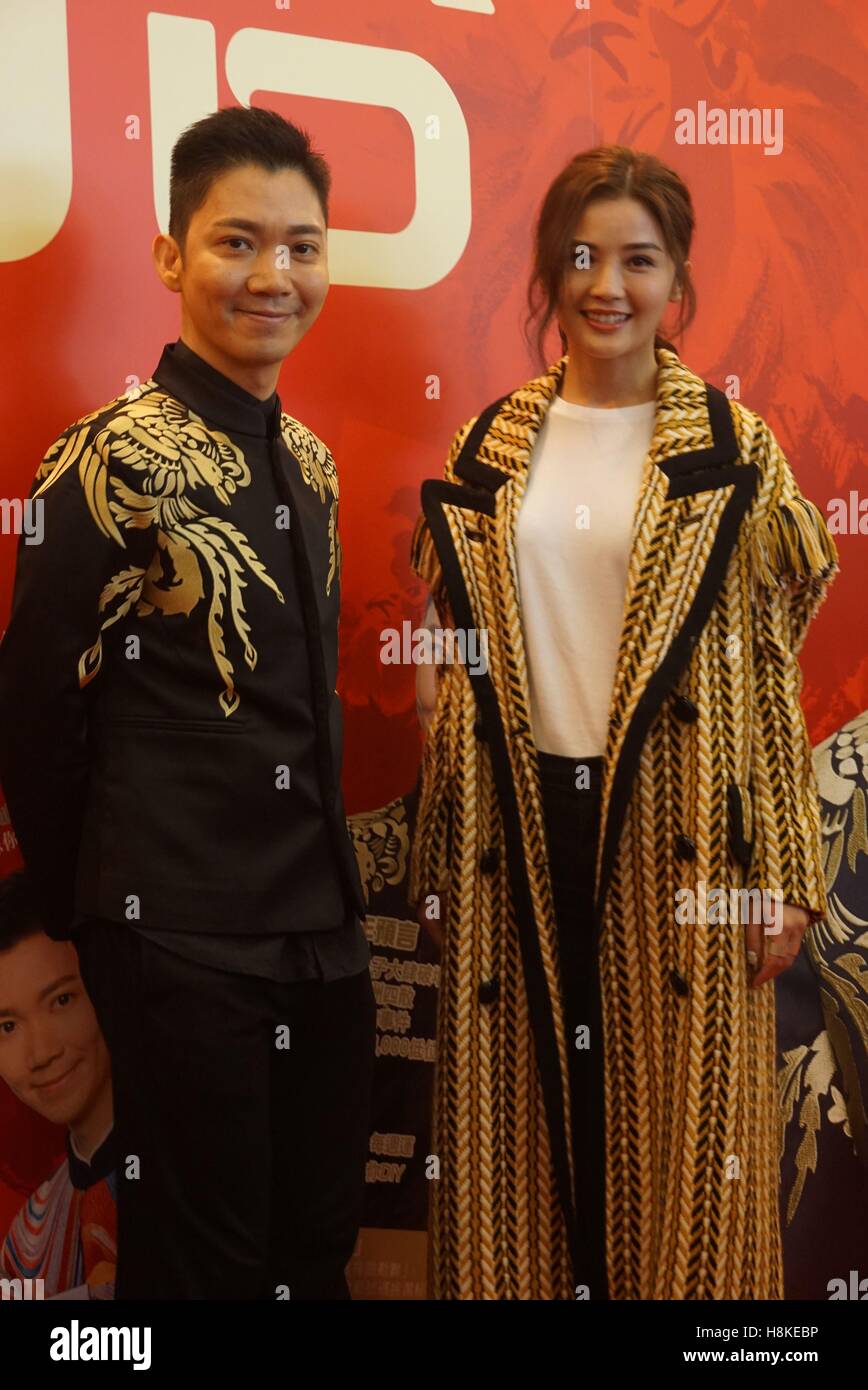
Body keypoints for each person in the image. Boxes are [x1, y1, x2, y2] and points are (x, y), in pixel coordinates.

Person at [410, 144, 840, 1300]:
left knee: (686, 1160)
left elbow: (771, 669)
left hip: (687, 825)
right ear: (549, 273)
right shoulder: (487, 446)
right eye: (582, 255)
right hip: (516, 826)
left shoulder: (734, 451)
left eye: (637, 259)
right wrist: (439, 857)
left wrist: (789, 872)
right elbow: (453, 670)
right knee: (516, 1153)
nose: (608, 284)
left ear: (676, 279)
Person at [0, 106, 376, 1300]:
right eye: (238, 242)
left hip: (320, 933)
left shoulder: (311, 461)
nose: (276, 274)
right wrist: (86, 912)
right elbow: (29, 705)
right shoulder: (106, 459)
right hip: (178, 936)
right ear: (171, 257)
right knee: (203, 1270)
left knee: (314, 1248)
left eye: (302, 245)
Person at [0, 869, 116, 1300]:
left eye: (62, 1000)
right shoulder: (23, 1245)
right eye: (7, 1026)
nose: (40, 1053)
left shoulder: (204, 1172)